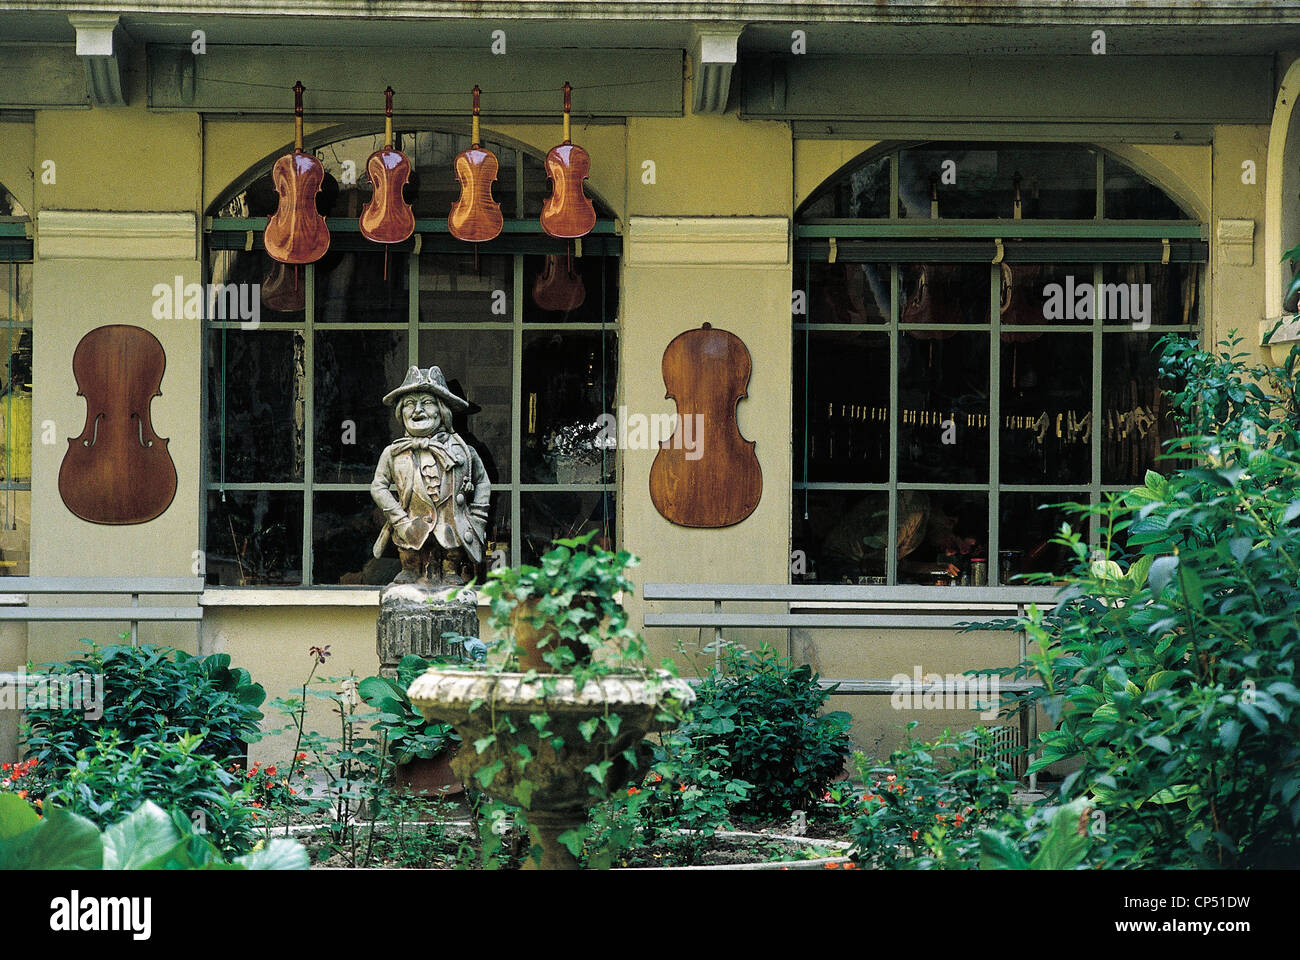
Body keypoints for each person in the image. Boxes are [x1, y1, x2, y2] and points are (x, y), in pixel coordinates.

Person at [371, 366, 490, 587]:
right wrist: (398, 518)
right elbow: (378, 486)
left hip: (450, 527)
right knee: (407, 549)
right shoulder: (393, 453)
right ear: (400, 412)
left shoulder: (463, 451)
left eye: (426, 402)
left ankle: (450, 568)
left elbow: (483, 481)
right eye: (409, 404)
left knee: (451, 547)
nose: (417, 411)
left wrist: (478, 518)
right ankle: (410, 567)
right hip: (409, 527)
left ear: (442, 410)